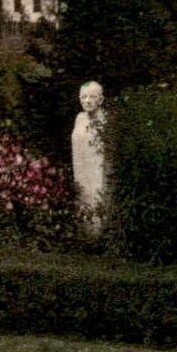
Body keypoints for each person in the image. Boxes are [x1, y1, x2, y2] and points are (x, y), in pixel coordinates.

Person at [70, 80, 108, 237]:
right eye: (83, 97)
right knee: (82, 196)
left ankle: (99, 234)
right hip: (80, 165)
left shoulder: (105, 119)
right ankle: (83, 233)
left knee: (97, 196)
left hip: (97, 167)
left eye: (92, 97)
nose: (87, 101)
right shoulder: (80, 118)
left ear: (100, 99)